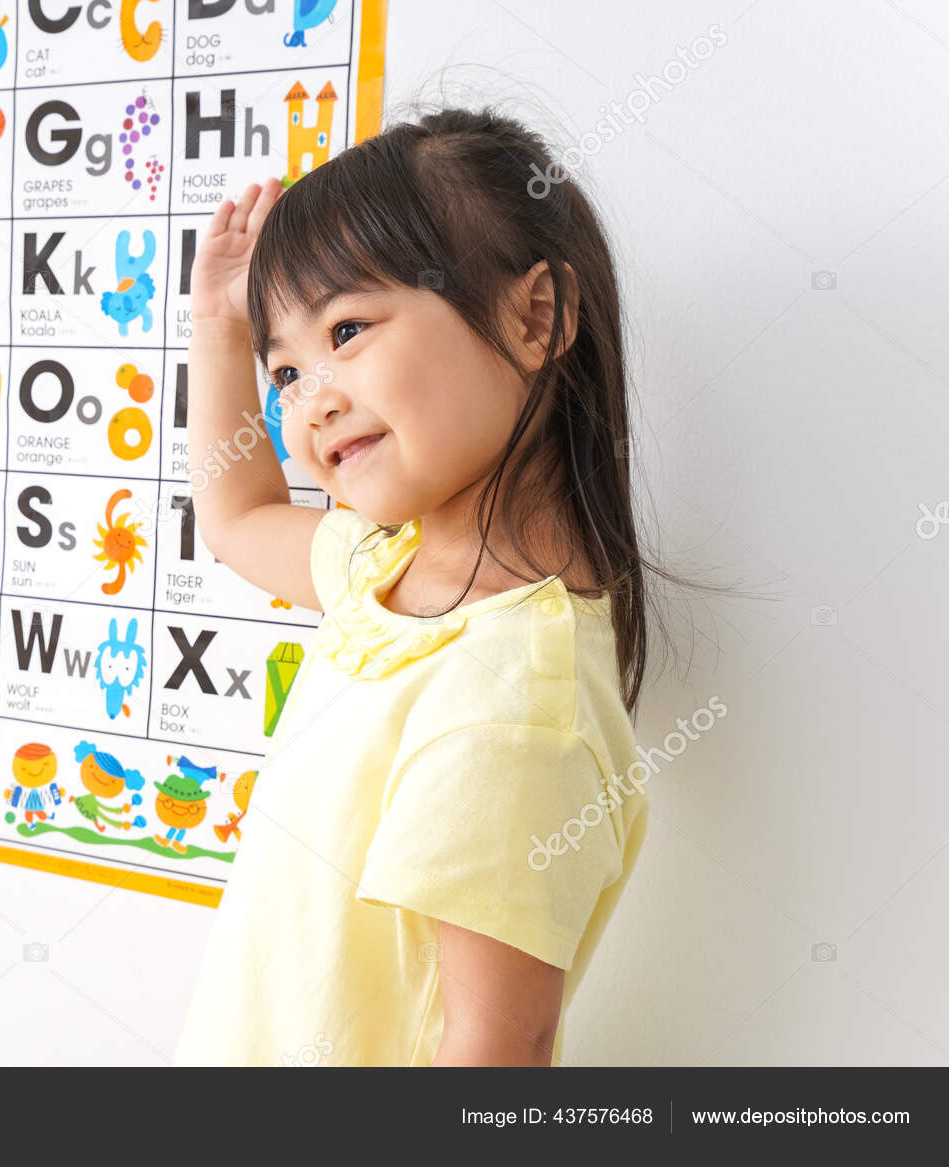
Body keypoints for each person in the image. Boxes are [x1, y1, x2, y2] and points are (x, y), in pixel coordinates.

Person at [173, 108, 661, 1067]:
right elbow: (234, 519)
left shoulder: (515, 703)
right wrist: (217, 332)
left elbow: (494, 1056)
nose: (309, 398)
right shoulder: (379, 570)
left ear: (537, 317)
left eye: (347, 330)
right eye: (284, 373)